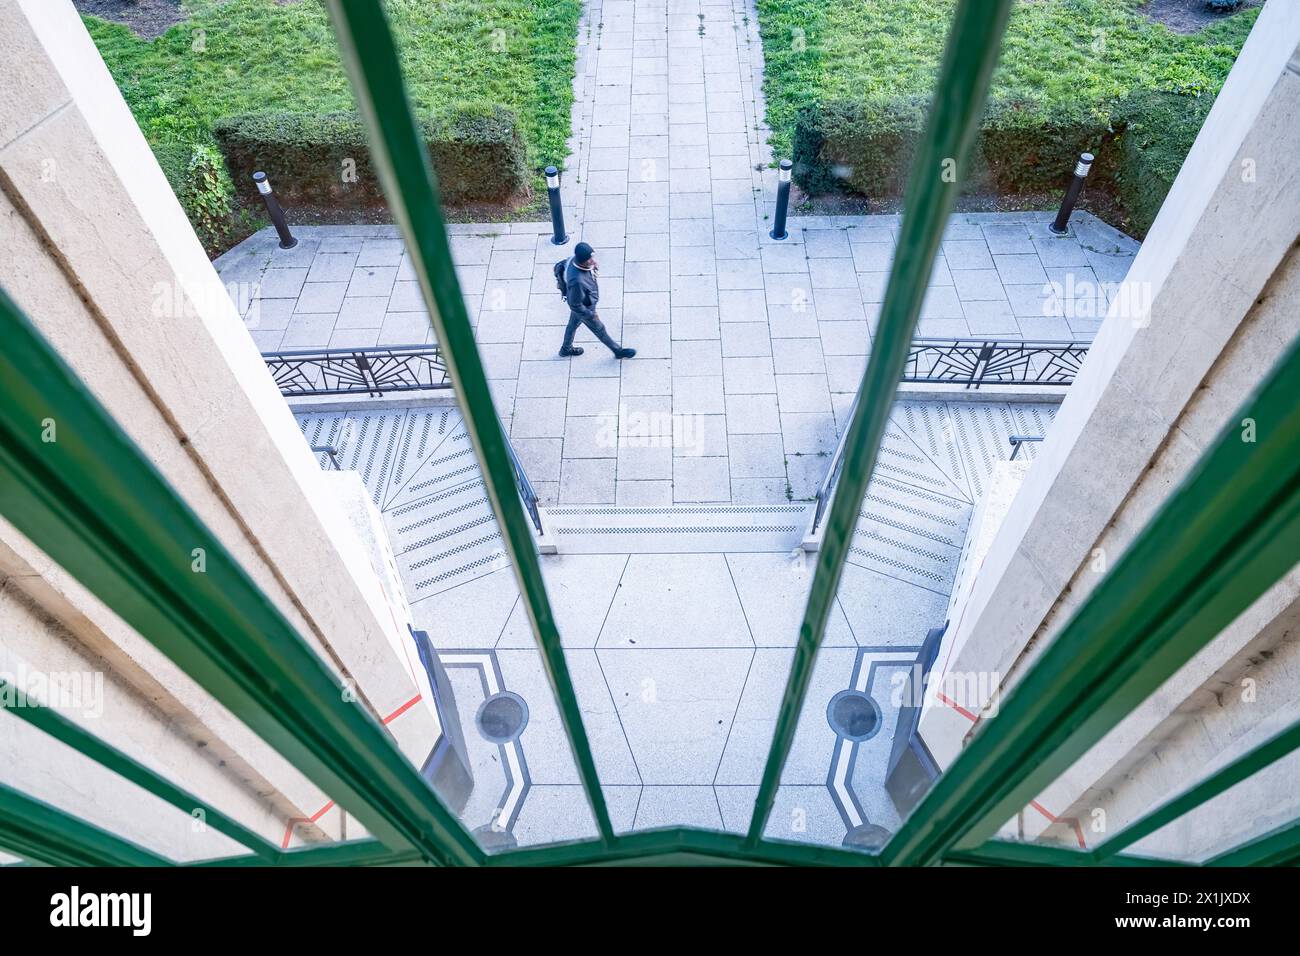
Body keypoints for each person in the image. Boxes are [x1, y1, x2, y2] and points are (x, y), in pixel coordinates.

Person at [559, 242, 635, 359]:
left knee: (573, 325)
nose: (592, 260)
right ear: (582, 261)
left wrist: (591, 267)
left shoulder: (578, 262)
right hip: (586, 308)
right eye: (589, 259)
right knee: (599, 329)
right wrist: (591, 315)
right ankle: (617, 351)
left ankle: (566, 349)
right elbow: (575, 305)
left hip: (584, 303)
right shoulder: (577, 282)